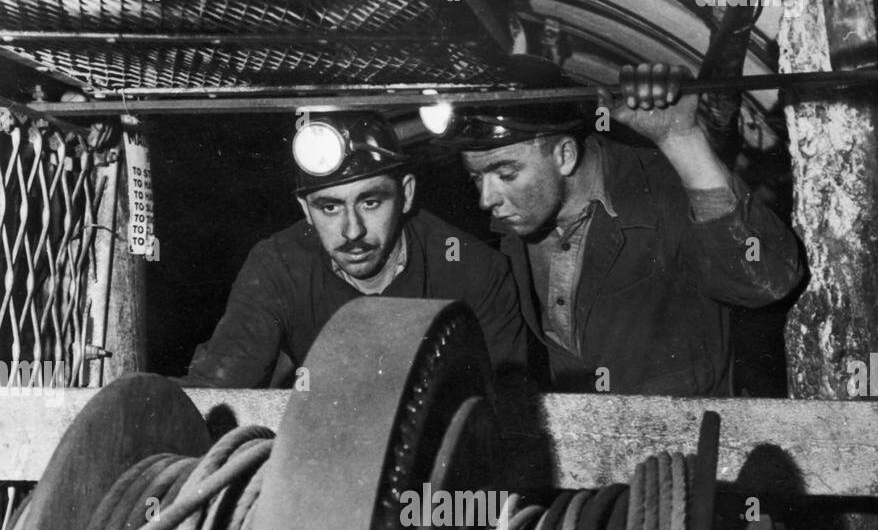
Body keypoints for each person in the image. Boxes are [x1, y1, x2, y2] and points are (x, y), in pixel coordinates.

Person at [440, 60, 803, 395]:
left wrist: (682, 141)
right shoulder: (504, 232)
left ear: (564, 155)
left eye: (506, 174)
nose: (487, 199)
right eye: (476, 178)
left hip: (687, 447)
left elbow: (767, 282)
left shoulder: (663, 189)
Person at [184, 112, 526, 387]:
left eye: (371, 202)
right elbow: (218, 388)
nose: (352, 231)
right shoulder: (278, 266)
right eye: (329, 207)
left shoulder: (475, 269)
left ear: (406, 194)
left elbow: (503, 415)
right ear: (306, 209)